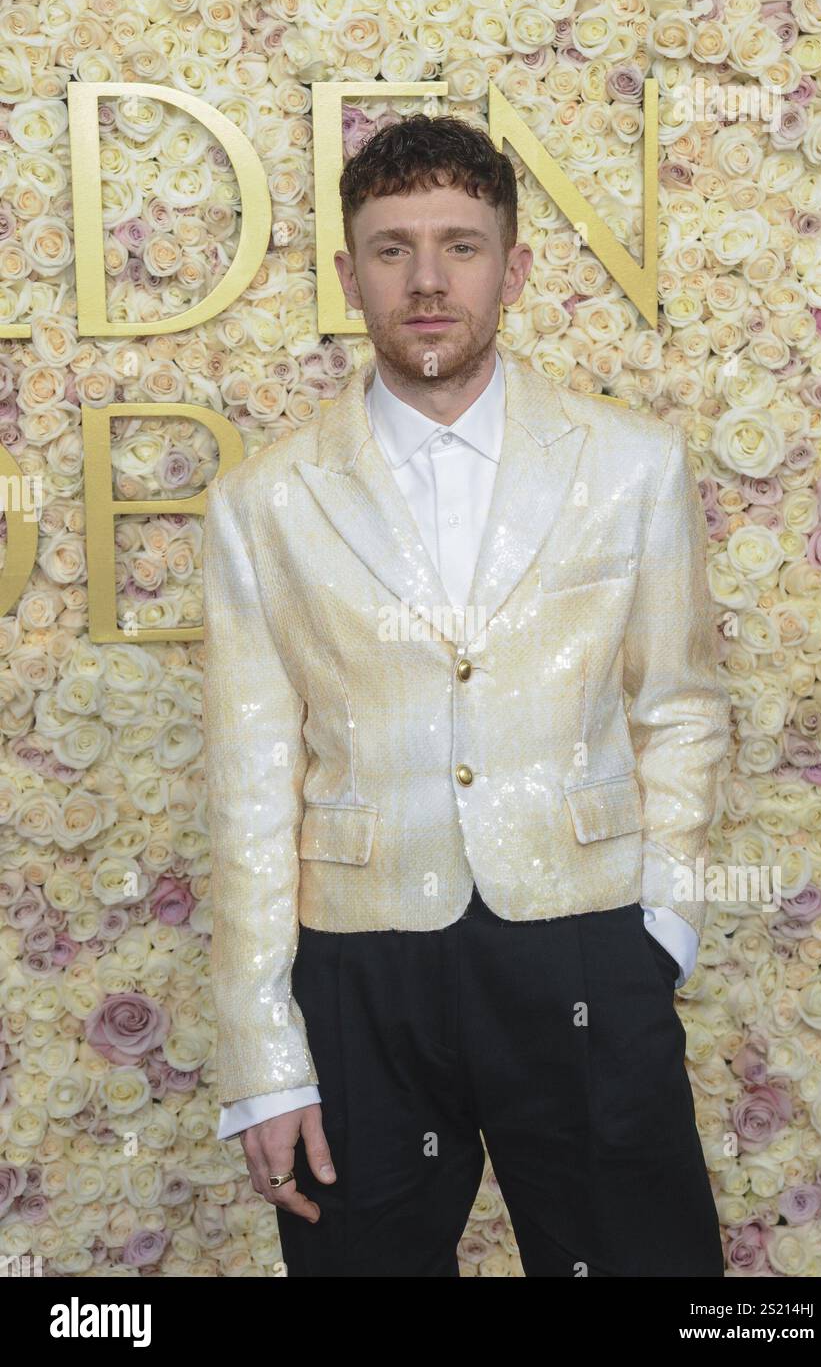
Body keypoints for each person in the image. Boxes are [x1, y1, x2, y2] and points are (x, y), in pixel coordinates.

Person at [202, 114, 732, 1277]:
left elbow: (681, 703)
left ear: (516, 266)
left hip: (588, 942)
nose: (428, 280)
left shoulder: (632, 462)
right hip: (358, 965)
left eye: (461, 245)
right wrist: (266, 1053)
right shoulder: (265, 502)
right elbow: (248, 786)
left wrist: (663, 930)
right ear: (348, 275)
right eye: (392, 249)